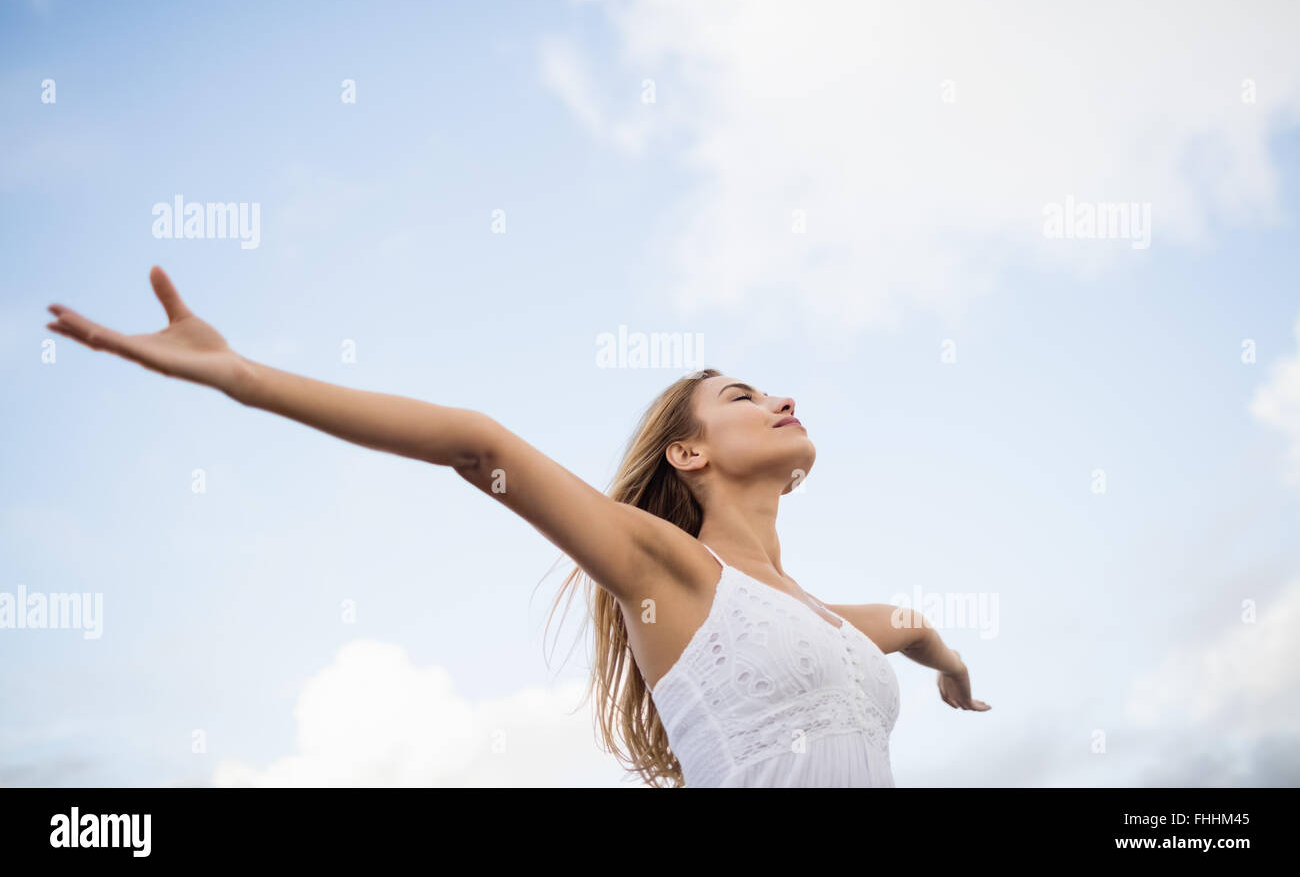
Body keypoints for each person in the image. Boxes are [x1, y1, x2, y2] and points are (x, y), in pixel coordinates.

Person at [45, 265, 990, 788]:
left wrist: (947, 664)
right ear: (688, 455)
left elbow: (904, 626)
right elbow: (473, 443)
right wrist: (241, 375)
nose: (782, 398)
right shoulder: (671, 571)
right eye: (741, 395)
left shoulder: (824, 619)